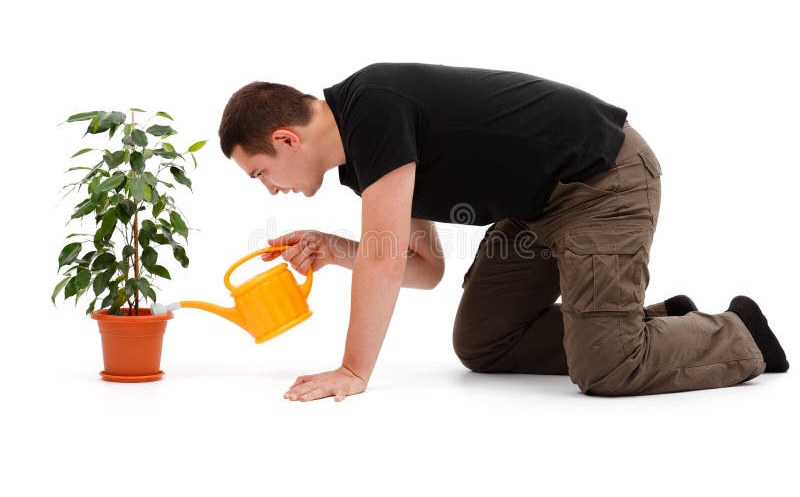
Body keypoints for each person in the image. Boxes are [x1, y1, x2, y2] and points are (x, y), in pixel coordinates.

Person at [217, 62, 789, 402]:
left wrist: (352, 371)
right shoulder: (361, 160)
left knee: (607, 368)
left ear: (288, 139)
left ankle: (740, 335)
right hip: (537, 208)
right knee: (483, 343)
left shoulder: (371, 109)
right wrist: (333, 249)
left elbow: (386, 261)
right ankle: (656, 323)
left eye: (261, 173)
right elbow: (425, 268)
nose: (270, 190)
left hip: (603, 182)